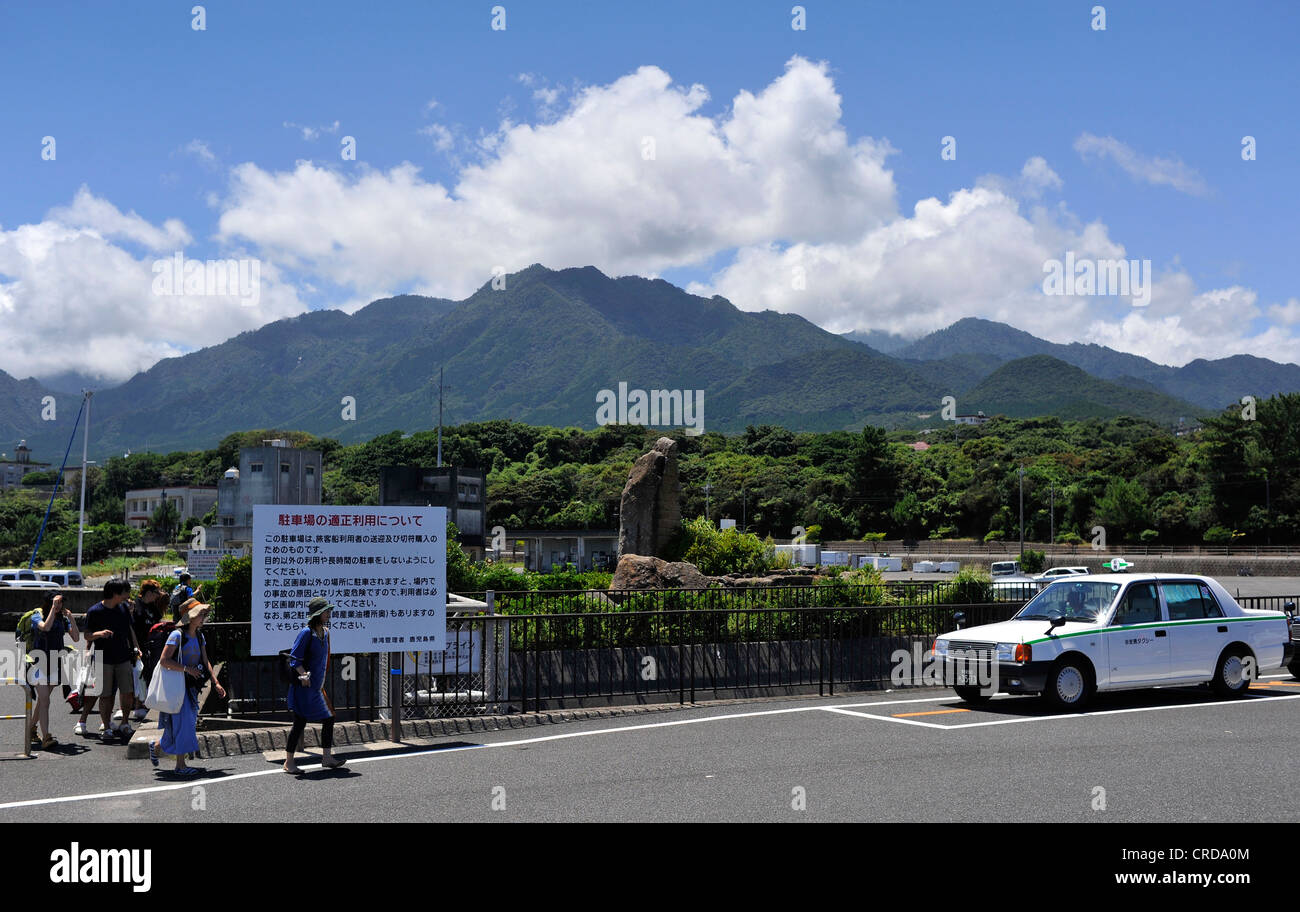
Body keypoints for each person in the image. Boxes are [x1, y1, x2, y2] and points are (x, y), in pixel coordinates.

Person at [148, 602, 212, 775]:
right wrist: (186, 669)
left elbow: (205, 661)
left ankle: (155, 746)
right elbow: (164, 660)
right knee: (183, 725)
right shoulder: (176, 635)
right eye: (200, 614)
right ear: (190, 616)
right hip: (177, 687)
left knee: (182, 724)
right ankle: (180, 766)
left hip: (190, 688)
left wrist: (216, 682)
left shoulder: (200, 636)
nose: (203, 617)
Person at [283, 597, 344, 773]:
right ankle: (289, 762)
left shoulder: (326, 632)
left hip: (317, 687)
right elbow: (294, 659)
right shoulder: (306, 633)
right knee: (300, 722)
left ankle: (326, 757)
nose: (329, 614)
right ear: (317, 614)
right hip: (304, 687)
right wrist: (304, 675)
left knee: (329, 717)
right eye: (326, 611)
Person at [83, 580, 142, 744]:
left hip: (123, 656)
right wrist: (99, 634)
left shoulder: (123, 608)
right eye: (125, 592)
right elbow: (87, 635)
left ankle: (124, 723)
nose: (128, 595)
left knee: (127, 692)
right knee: (105, 694)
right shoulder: (95, 611)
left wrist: (137, 647)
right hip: (103, 657)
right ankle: (107, 726)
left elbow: (130, 629)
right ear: (116, 593)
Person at [28, 591, 81, 750]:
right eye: (56, 602)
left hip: (55, 664)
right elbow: (45, 627)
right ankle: (46, 737)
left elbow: (76, 638)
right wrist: (52, 608)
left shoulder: (62, 619)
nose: (59, 605)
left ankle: (31, 728)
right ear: (49, 603)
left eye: (60, 602)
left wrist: (71, 618)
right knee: (45, 701)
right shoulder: (37, 616)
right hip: (38, 662)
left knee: (43, 701)